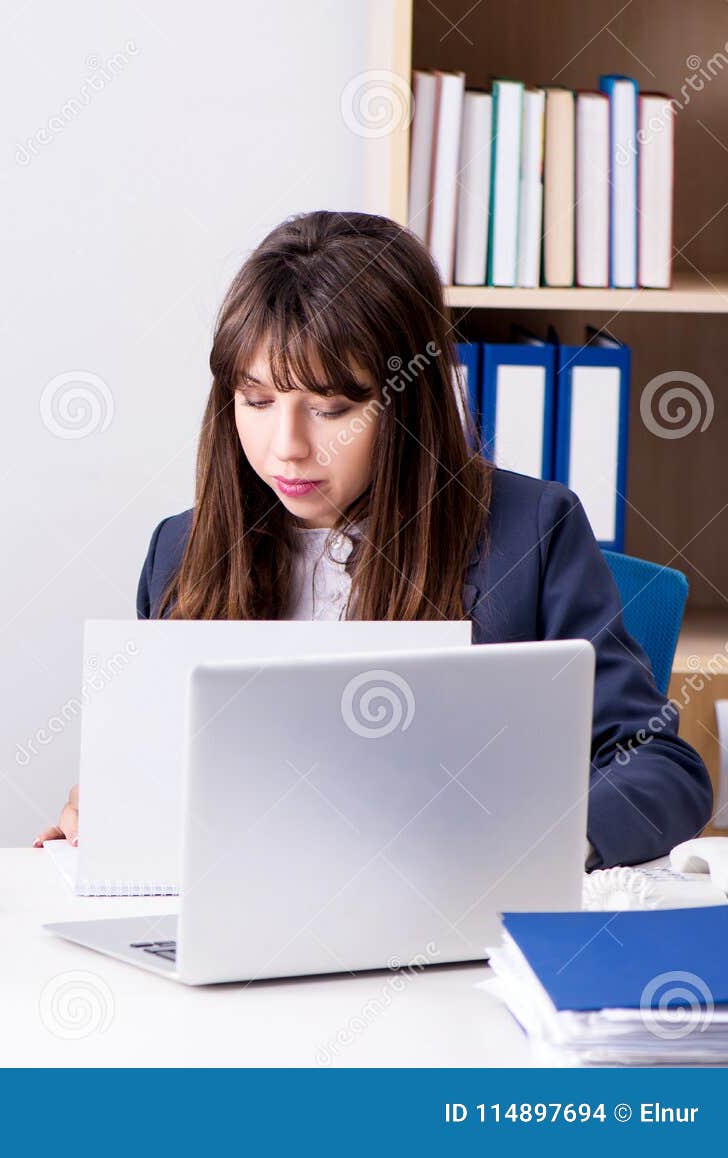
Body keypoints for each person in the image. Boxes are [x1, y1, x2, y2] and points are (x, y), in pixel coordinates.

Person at [35, 210, 710, 867]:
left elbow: (659, 765)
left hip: (452, 908)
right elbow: (160, 770)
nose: (287, 446)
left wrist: (536, 844)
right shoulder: (178, 551)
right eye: (258, 401)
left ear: (408, 403)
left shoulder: (531, 532)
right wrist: (113, 810)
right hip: (239, 906)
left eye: (331, 409)